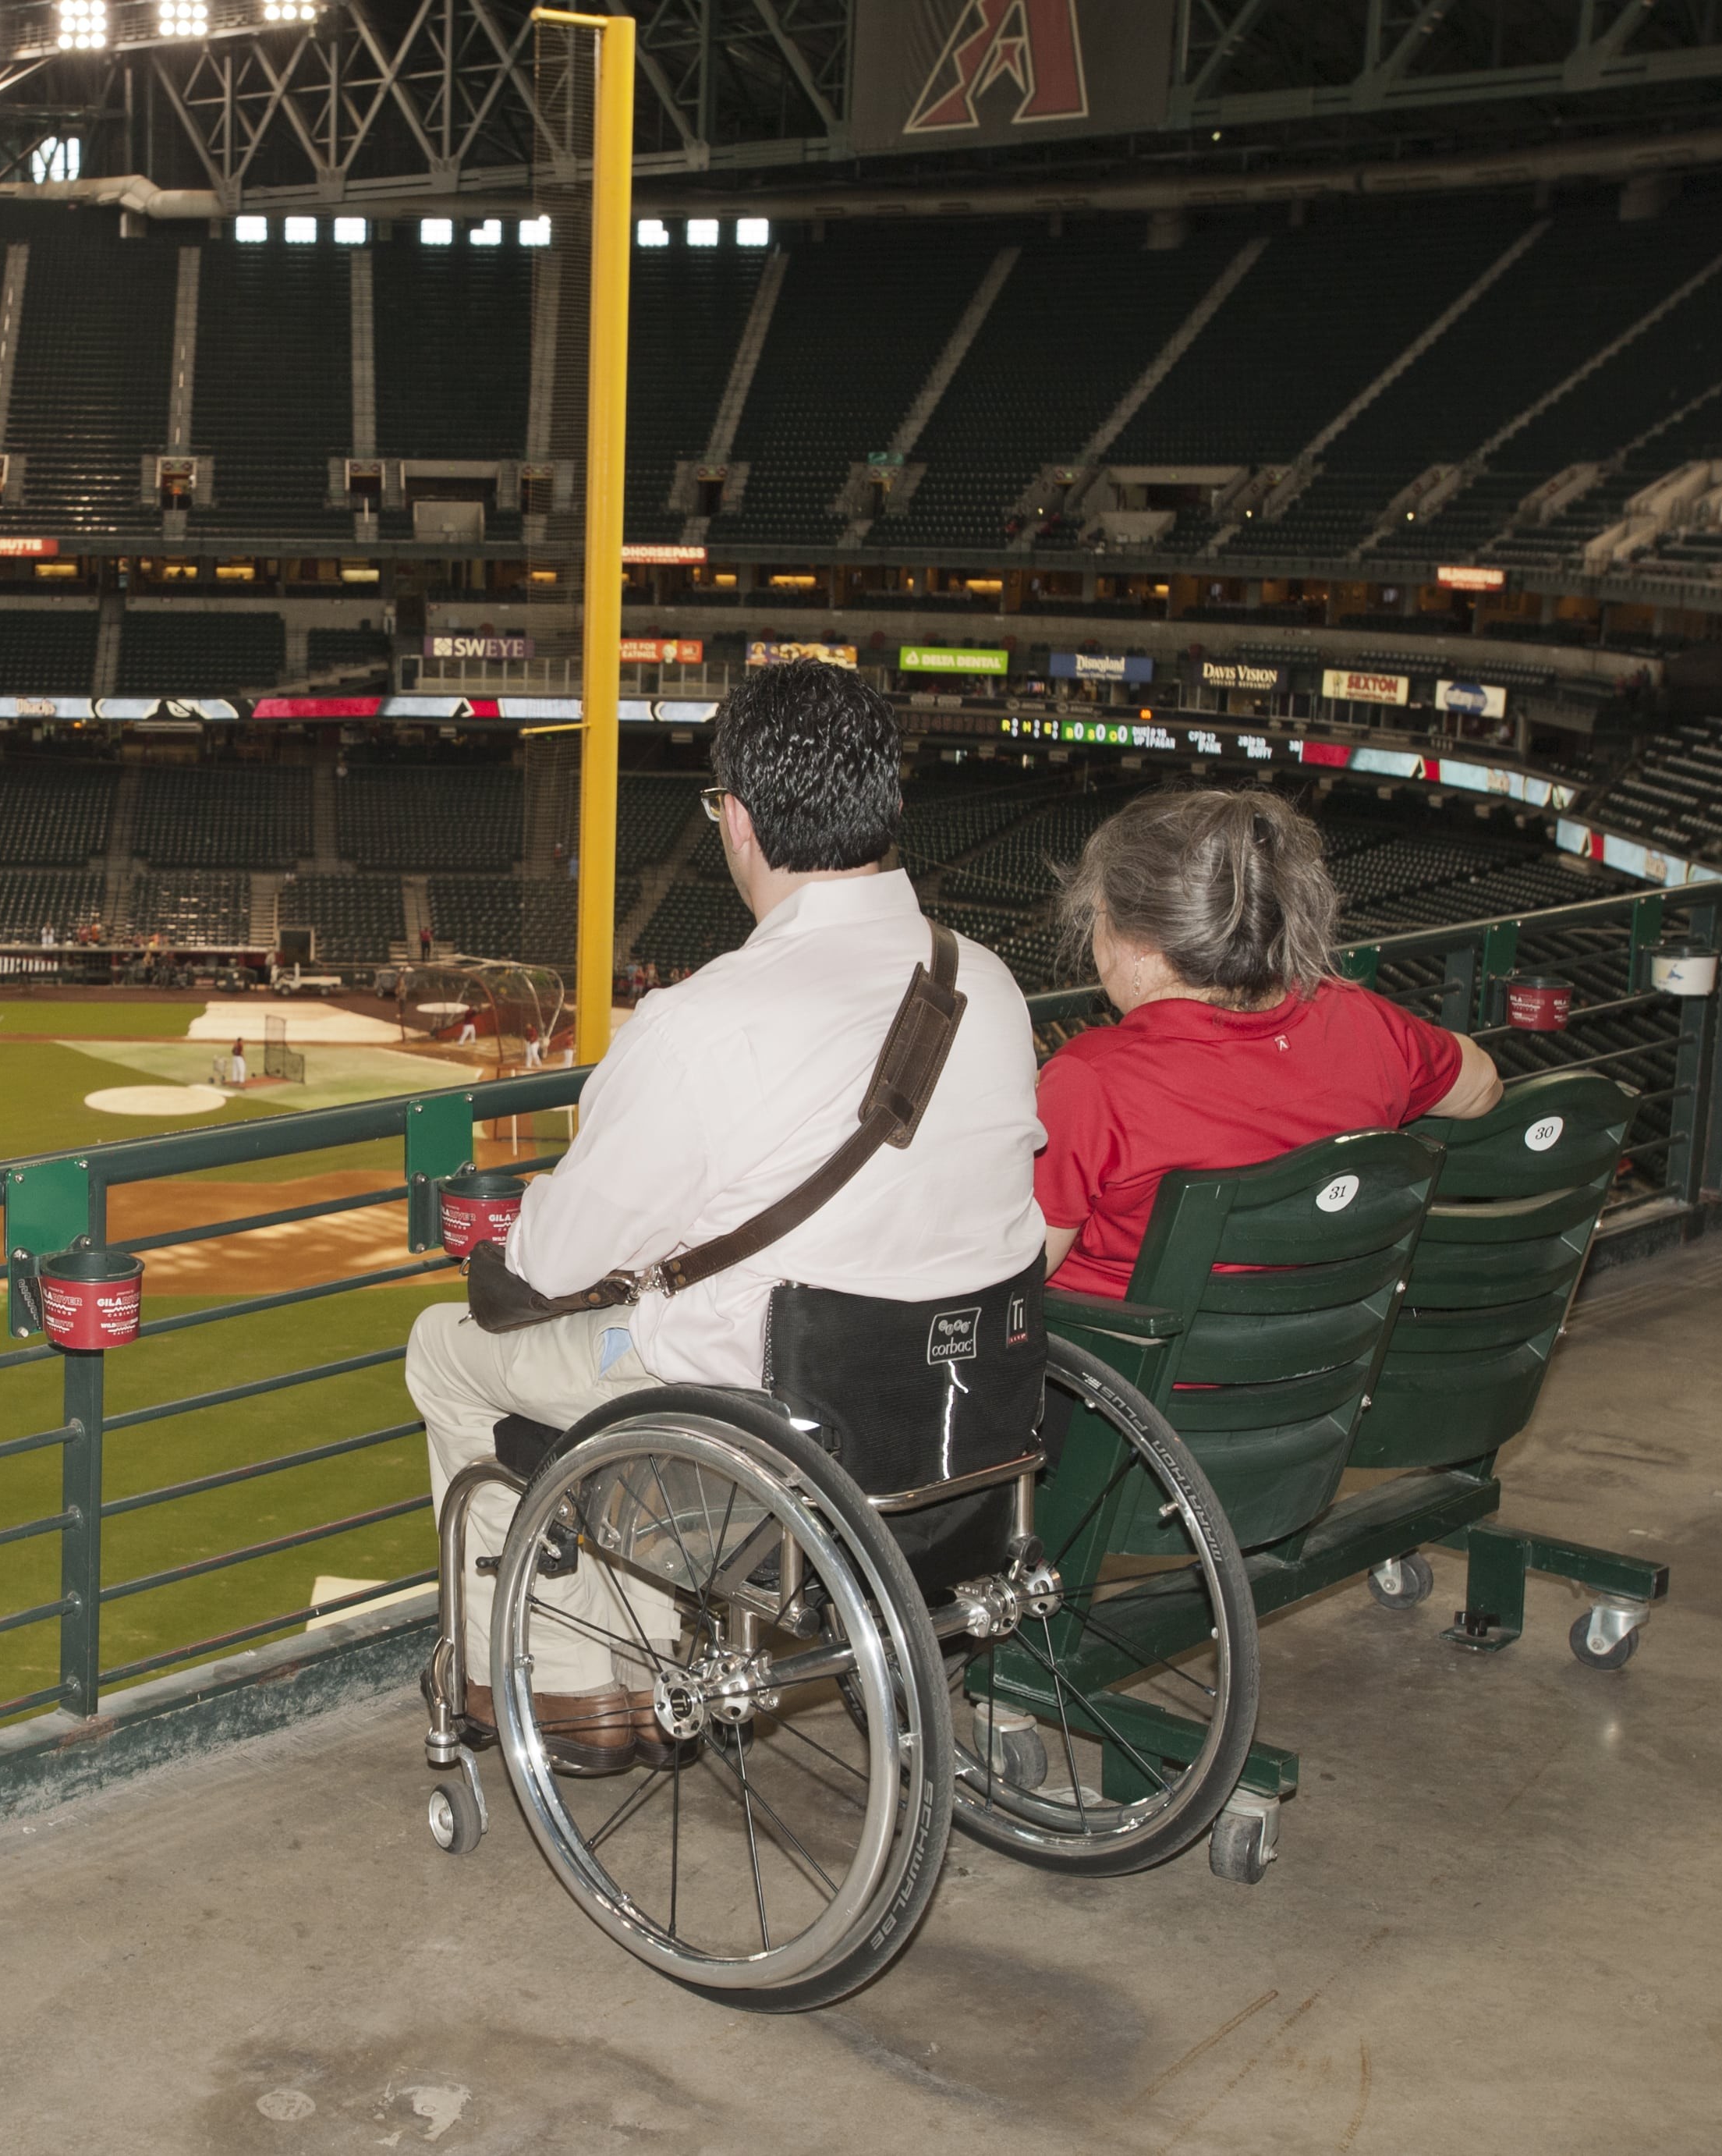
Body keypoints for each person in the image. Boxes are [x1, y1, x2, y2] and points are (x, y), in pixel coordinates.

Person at [405, 660, 1043, 1775]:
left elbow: (555, 1258)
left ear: (737, 820)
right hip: (954, 1395)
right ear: (887, 804)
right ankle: (657, 1647)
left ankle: (563, 1679)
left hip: (770, 1397)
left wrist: (526, 1238)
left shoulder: (701, 1022)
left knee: (445, 1352)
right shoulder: (984, 979)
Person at [1035, 787, 1504, 1301]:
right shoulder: (1361, 1019)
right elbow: (1483, 1087)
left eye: (1100, 916)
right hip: (1333, 1340)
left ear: (1143, 945)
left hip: (1120, 1350)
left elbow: (1020, 1269)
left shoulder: (1092, 1081)